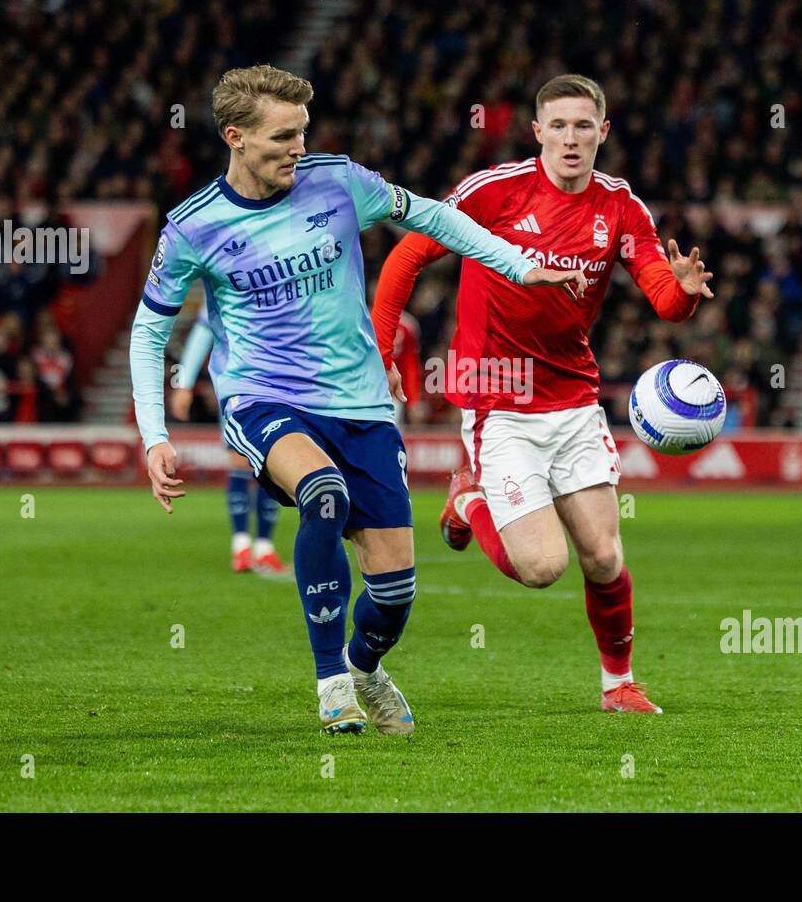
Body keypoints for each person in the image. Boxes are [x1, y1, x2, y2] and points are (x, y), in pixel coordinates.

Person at [129, 64, 585, 735]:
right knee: (322, 492)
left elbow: (431, 215)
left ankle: (365, 666)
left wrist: (519, 263)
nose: (298, 148)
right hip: (263, 397)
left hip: (362, 403)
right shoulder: (194, 227)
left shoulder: (338, 181)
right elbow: (149, 331)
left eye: (303, 133)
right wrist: (154, 435)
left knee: (394, 594)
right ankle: (331, 683)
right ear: (236, 137)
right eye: (283, 136)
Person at [371, 75, 714, 714]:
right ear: (537, 133)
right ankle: (468, 501)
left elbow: (665, 303)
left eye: (584, 126)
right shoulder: (493, 192)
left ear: (603, 132)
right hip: (496, 398)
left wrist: (686, 289)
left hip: (574, 398)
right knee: (541, 568)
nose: (571, 139)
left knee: (605, 556)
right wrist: (382, 350)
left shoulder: (622, 209)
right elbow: (406, 259)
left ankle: (619, 687)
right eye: (557, 126)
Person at [169, 300, 290, 577]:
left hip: (277, 385)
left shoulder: (277, 281)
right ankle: (243, 546)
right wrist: (184, 384)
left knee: (272, 463)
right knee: (241, 460)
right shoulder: (222, 282)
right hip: (236, 386)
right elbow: (202, 332)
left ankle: (263, 547)